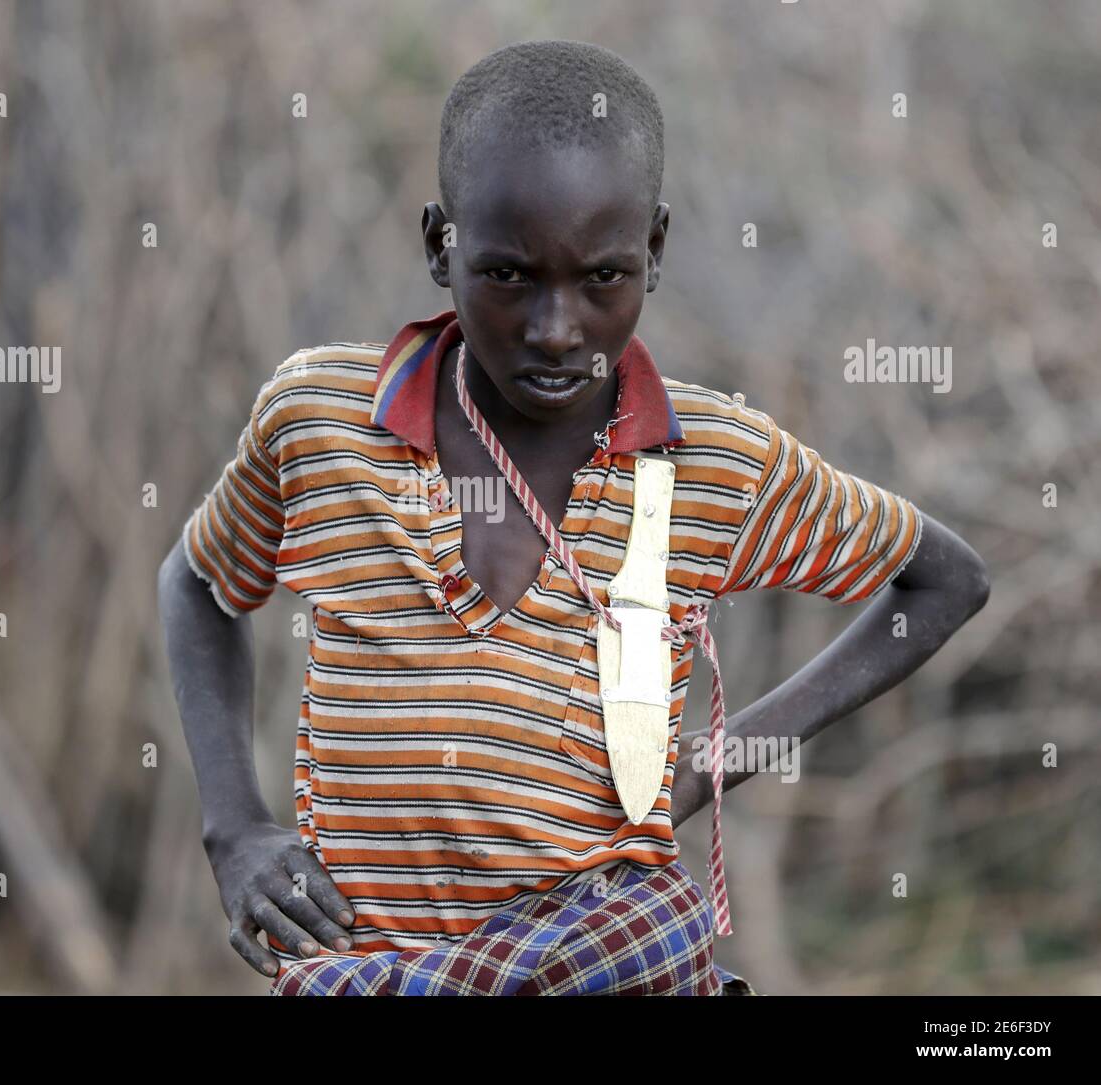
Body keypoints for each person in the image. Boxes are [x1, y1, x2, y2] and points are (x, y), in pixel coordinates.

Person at [157, 40, 990, 996]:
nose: (557, 329)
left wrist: (703, 769)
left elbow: (945, 581)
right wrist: (236, 830)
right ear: (440, 244)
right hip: (363, 971)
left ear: (657, 251)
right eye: (509, 276)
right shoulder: (322, 423)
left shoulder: (710, 461)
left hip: (607, 963)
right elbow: (196, 582)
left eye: (603, 278)